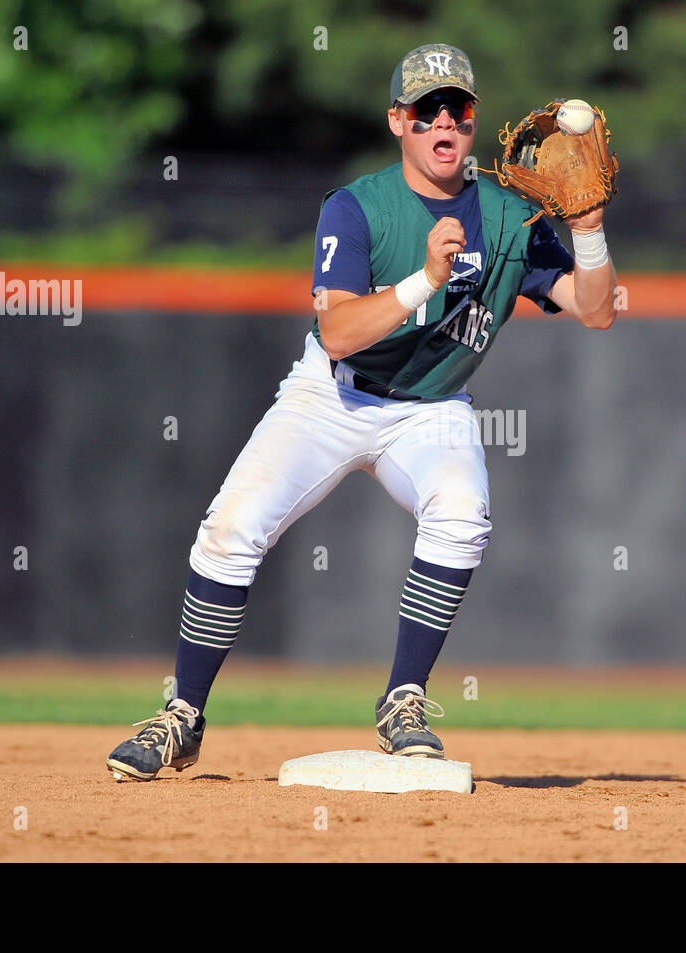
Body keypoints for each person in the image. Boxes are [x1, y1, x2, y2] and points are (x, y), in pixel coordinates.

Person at [106, 43, 617, 781]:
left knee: (463, 510)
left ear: (473, 122)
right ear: (398, 122)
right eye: (425, 108)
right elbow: (340, 330)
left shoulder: (511, 218)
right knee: (229, 527)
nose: (443, 119)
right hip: (332, 393)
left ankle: (403, 699)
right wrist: (427, 279)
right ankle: (181, 714)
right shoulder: (357, 207)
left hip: (431, 407)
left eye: (458, 108)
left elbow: (596, 312)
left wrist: (591, 226)